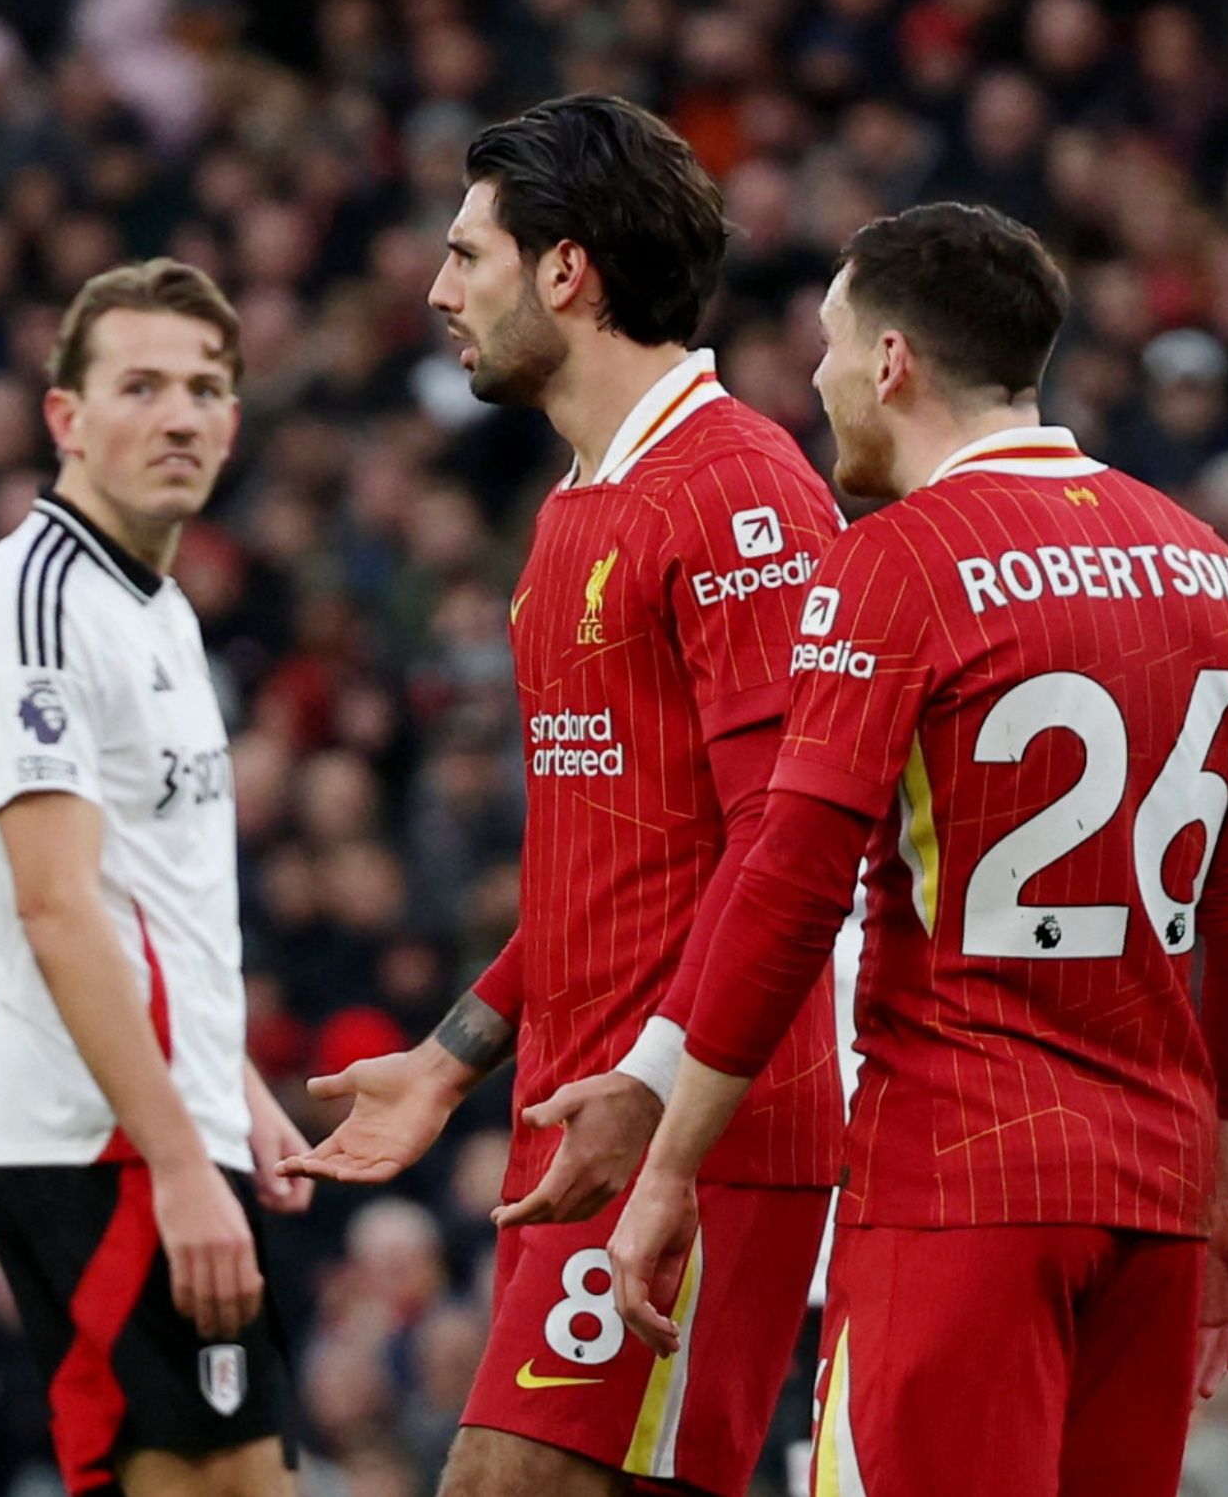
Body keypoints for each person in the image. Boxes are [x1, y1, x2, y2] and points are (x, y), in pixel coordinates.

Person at [608, 202, 1228, 1497]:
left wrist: (671, 1161)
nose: (818, 380)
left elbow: (790, 892)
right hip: (1154, 1202)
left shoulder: (897, 564)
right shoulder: (1214, 570)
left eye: (829, 345)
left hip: (962, 1176)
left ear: (890, 361)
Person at [279, 97, 844, 1497]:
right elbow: (619, 868)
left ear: (566, 271)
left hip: (696, 1133)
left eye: (467, 255)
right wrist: (452, 1059)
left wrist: (656, 1090)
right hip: (584, 1121)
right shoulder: (579, 505)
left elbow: (787, 843)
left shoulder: (737, 492)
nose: (438, 290)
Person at [0, 257, 314, 1497]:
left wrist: (231, 1090)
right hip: (100, 1137)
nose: (180, 416)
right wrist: (181, 1158)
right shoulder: (35, 604)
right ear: (66, 416)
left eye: (205, 389)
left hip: (161, 1122)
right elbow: (56, 907)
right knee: (214, 1481)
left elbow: (146, 892)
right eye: (141, 386)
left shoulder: (154, 605)